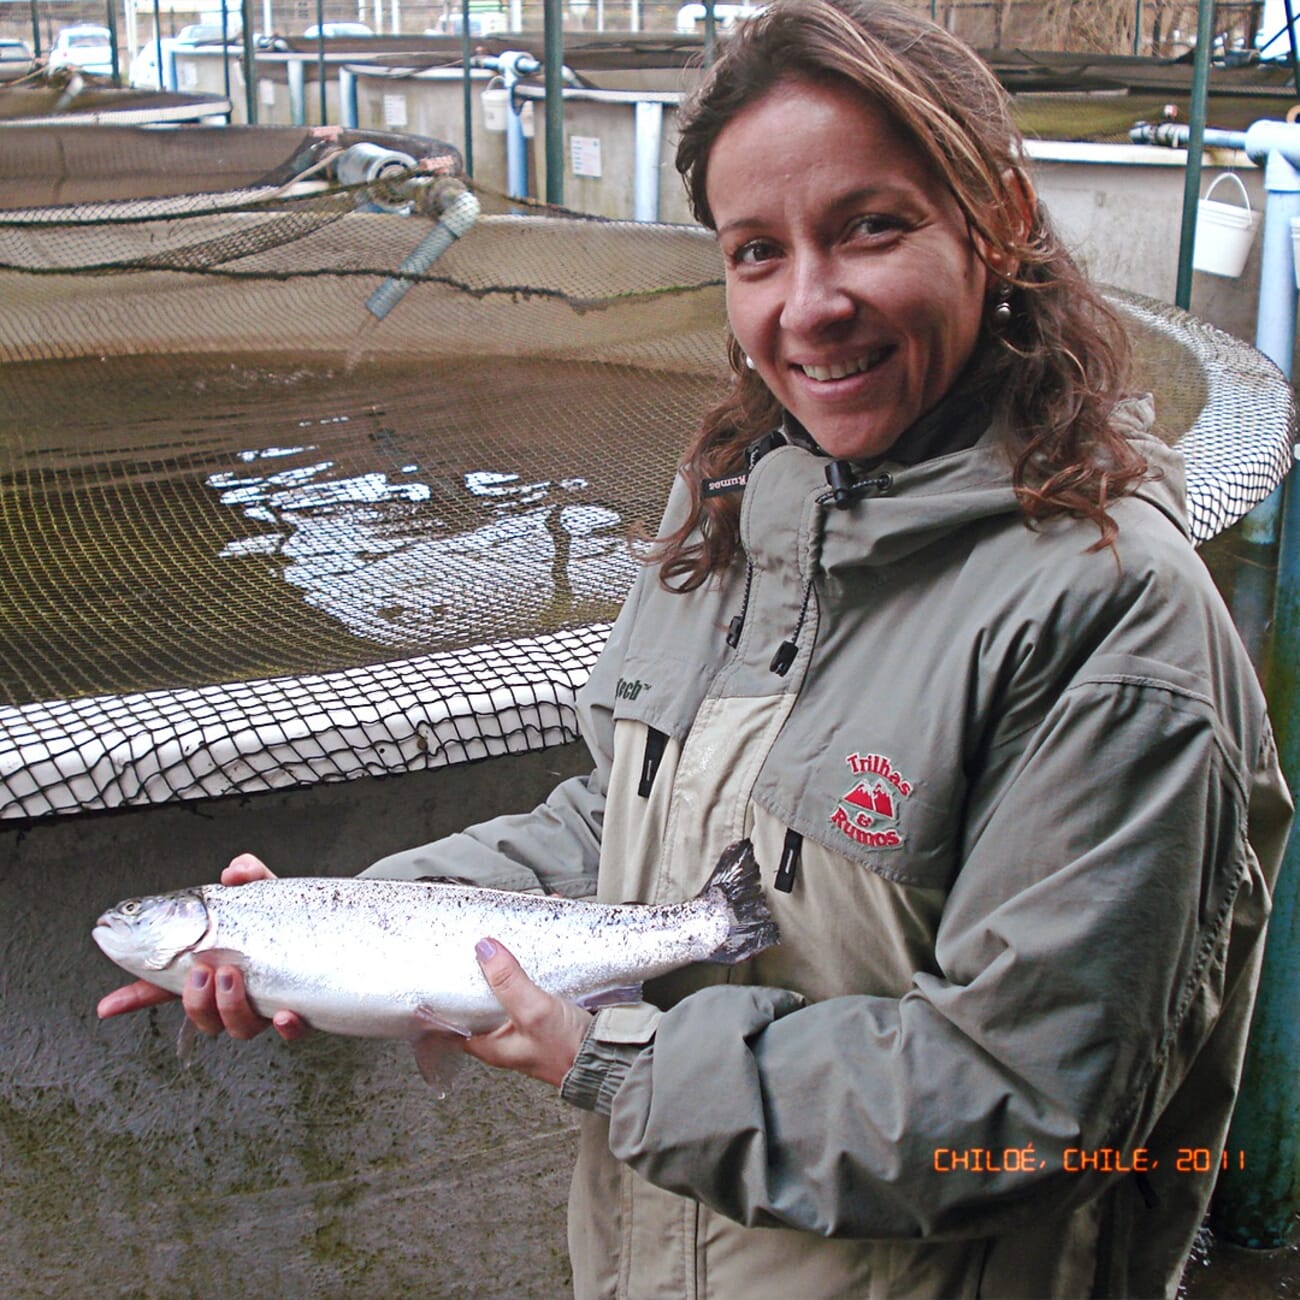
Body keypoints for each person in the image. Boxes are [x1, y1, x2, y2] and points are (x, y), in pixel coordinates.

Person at [99, 2, 1292, 1295]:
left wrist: (618, 1067)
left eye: (870, 227)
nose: (809, 305)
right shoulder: (728, 514)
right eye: (754, 252)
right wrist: (332, 924)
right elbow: (618, 823)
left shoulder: (1114, 621)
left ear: (997, 221)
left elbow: (1031, 1109)